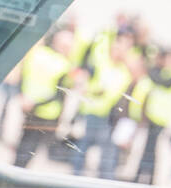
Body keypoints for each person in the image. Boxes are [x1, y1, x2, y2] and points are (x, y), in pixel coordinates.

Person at [71, 29, 136, 180]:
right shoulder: (101, 63)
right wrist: (94, 91)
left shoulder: (124, 71)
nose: (119, 51)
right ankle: (76, 178)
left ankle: (102, 181)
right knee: (83, 147)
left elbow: (124, 95)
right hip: (90, 111)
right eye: (118, 47)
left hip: (109, 117)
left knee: (105, 153)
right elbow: (85, 84)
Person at [12, 29, 77, 169]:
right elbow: (59, 94)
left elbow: (22, 76)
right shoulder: (64, 65)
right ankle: (16, 175)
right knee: (30, 148)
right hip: (47, 113)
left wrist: (24, 97)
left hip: (29, 108)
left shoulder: (36, 53)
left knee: (24, 143)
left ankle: (14, 171)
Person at [130, 46, 171, 186]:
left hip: (160, 119)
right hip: (153, 117)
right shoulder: (166, 72)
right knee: (148, 149)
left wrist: (151, 66)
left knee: (150, 150)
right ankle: (142, 177)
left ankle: (146, 179)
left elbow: (160, 80)